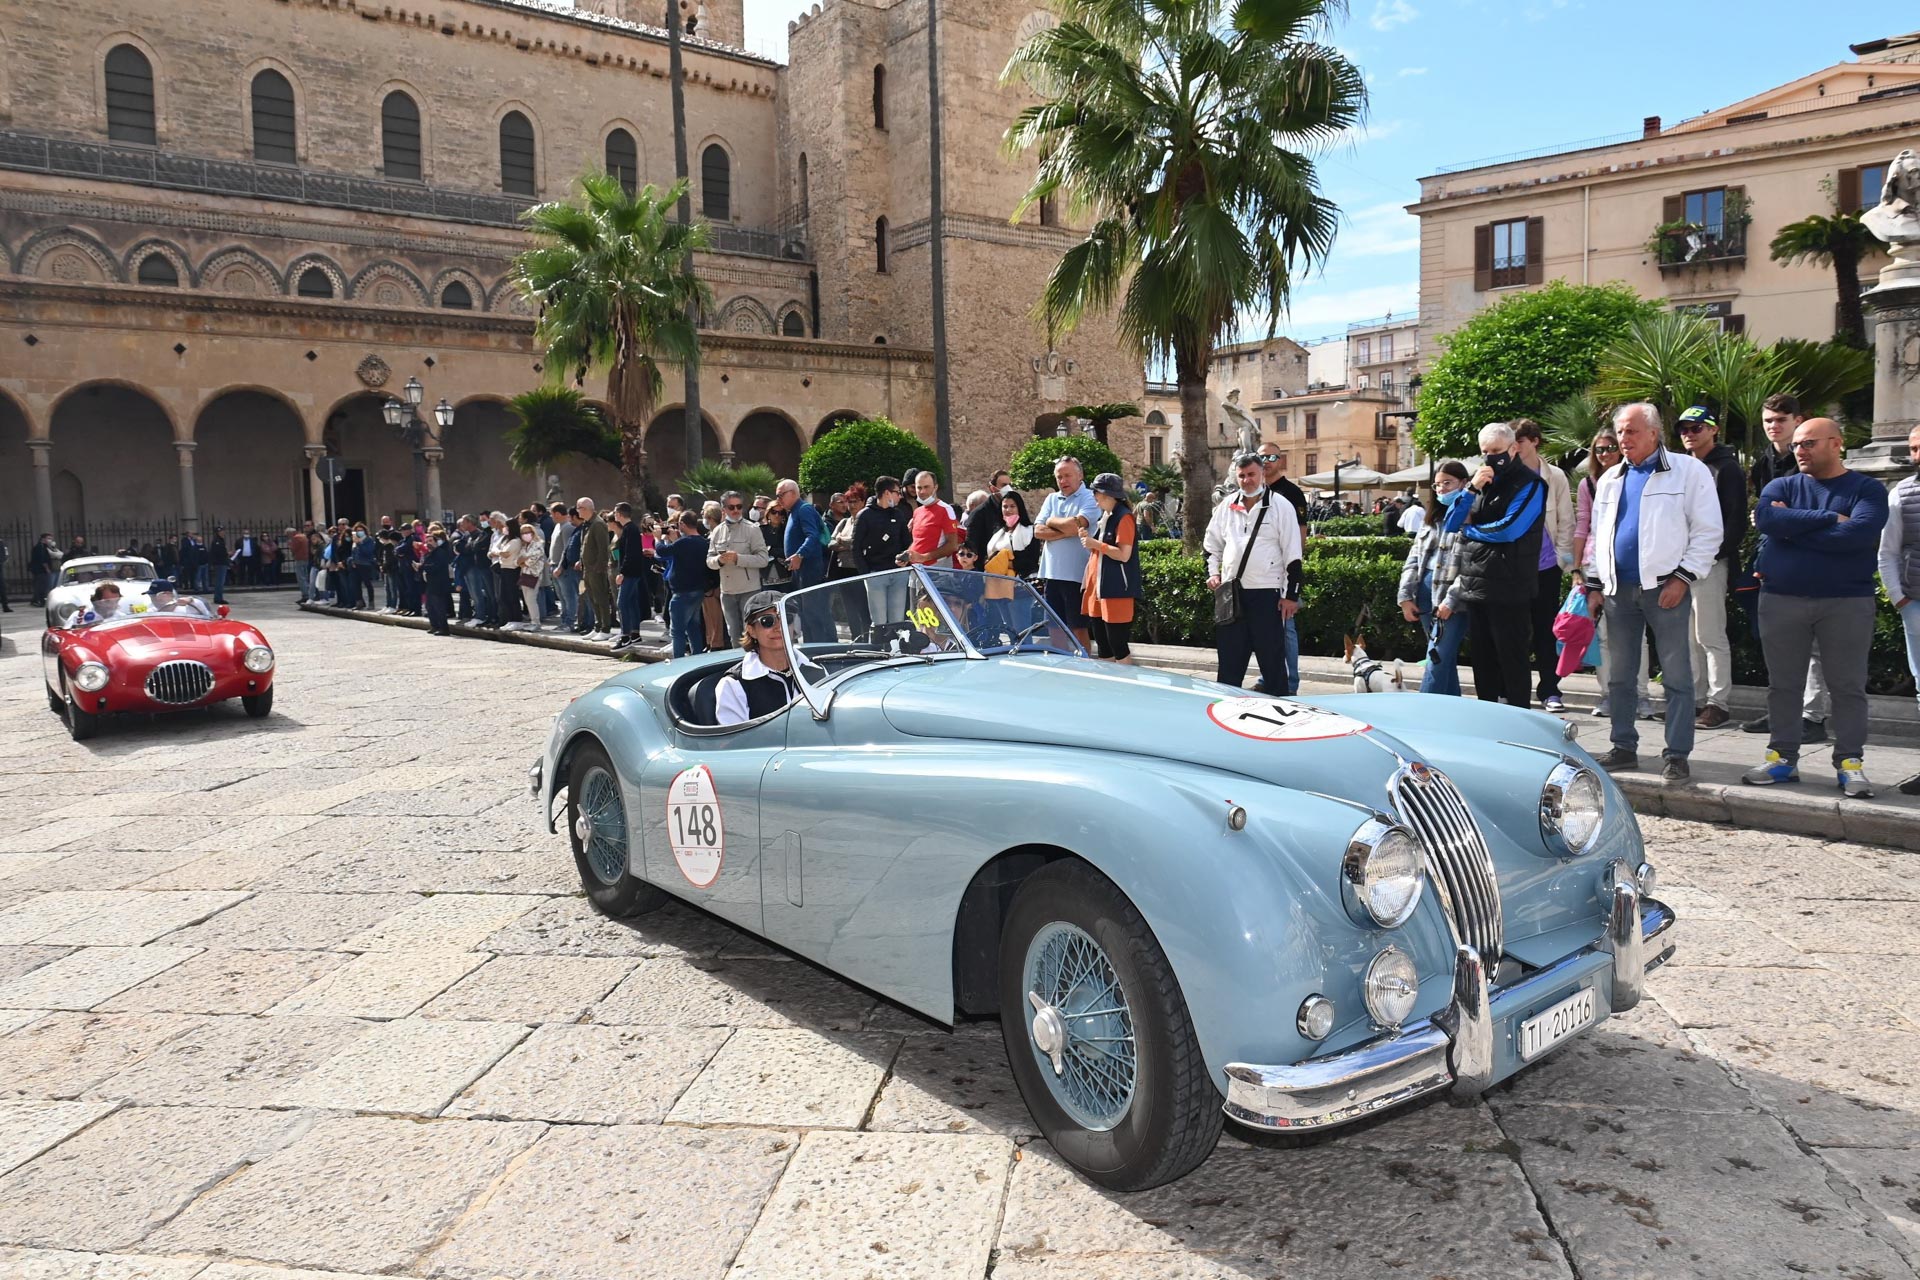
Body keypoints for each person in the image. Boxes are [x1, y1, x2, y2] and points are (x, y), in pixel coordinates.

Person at [1743, 417, 1890, 797]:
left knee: (1847, 686)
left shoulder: (1867, 489)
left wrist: (1792, 533)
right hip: (1781, 599)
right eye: (1796, 445)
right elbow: (1768, 519)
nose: (1800, 451)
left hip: (1847, 601)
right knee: (1783, 685)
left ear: (1836, 443)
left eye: (1809, 443)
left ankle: (1849, 762)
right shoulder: (1781, 485)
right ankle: (1782, 759)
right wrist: (1826, 519)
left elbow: (1858, 535)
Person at [1583, 402, 1722, 782]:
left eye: (1631, 431)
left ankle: (1677, 753)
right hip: (1617, 591)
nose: (1623, 439)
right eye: (1621, 431)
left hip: (1665, 589)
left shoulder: (1688, 470)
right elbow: (1599, 536)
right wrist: (1594, 584)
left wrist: (1683, 577)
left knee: (1677, 676)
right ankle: (1623, 746)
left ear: (1654, 433)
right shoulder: (1610, 478)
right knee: (1620, 677)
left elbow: (1708, 530)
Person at [1743, 393, 1829, 739]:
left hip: (1810, 559)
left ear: (1797, 420)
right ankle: (1782, 711)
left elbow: (1816, 516)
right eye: (1768, 421)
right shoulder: (1763, 463)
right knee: (1777, 640)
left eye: (1781, 420)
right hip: (1774, 557)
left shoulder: (1814, 459)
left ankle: (1813, 717)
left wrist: (1779, 516)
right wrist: (1775, 517)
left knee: (1812, 645)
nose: (1774, 427)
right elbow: (1765, 516)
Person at [1451, 423, 1547, 708]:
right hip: (1476, 585)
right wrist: (1471, 489)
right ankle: (1486, 720)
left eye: (1497, 451)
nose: (1491, 457)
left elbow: (1509, 529)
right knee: (1482, 663)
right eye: (1485, 452)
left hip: (1511, 585)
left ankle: (1519, 720)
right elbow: (1452, 521)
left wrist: (1471, 532)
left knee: (1513, 661)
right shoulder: (1480, 482)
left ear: (1514, 448)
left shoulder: (1531, 484)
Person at [1570, 428, 1653, 720]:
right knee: (1603, 636)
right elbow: (1583, 526)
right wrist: (1577, 568)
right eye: (1599, 449)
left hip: (1633, 564)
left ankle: (1642, 696)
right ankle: (1608, 694)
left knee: (1638, 636)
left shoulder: (1639, 478)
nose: (1605, 454)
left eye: (1610, 447)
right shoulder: (1589, 485)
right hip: (1598, 566)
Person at [1674, 405, 1748, 729]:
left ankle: (1719, 703)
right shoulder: (1683, 467)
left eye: (1696, 428)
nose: (1689, 434)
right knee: (1688, 637)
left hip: (1709, 563)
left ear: (1713, 429)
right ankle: (1695, 699)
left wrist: (1711, 556)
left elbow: (1735, 521)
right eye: (1684, 429)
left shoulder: (1727, 468)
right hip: (1680, 564)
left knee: (1710, 635)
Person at [1204, 452, 1303, 691]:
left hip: (1266, 593)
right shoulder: (1226, 506)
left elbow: (1293, 553)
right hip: (1232, 594)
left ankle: (1280, 705)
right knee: (1229, 661)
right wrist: (1213, 573)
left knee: (1272, 660)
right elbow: (1210, 544)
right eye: (1242, 476)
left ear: (1262, 475)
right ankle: (1226, 709)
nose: (1247, 480)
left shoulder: (1281, 506)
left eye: (1251, 475)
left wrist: (1291, 596)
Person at [1513, 420, 1574, 712]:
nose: (1515, 448)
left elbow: (1566, 520)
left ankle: (1550, 690)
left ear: (1534, 441)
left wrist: (1563, 560)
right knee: (1515, 632)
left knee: (1545, 632)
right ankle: (1514, 691)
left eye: (1520, 442)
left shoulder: (1556, 476)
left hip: (1547, 567)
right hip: (1514, 569)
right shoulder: (1507, 473)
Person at [1396, 461, 1472, 695]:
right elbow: (1414, 558)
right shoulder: (1431, 520)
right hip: (1424, 591)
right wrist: (1405, 596)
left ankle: (1424, 708)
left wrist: (1451, 600)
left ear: (1464, 483)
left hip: (1453, 597)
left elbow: (1471, 566)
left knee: (1436, 656)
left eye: (1448, 483)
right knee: (1443, 658)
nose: (1442, 489)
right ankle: (1452, 710)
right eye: (1437, 485)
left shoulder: (1471, 517)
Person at [1878, 424, 1920, 795]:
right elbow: (1888, 551)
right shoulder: (1902, 492)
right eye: (1913, 447)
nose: (1916, 454)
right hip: (1916, 603)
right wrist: (1899, 599)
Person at [715, 590, 817, 726]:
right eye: (767, 621)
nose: (779, 627)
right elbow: (735, 742)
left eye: (787, 618)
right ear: (751, 630)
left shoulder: (816, 672)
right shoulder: (734, 684)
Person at [1033, 456, 1101, 650]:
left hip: (1077, 575)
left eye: (1067, 475)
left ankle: (1085, 668)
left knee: (1078, 627)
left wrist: (1052, 521)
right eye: (1059, 477)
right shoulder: (1051, 498)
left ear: (1080, 475)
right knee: (1055, 627)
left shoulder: (1090, 497)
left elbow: (1075, 526)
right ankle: (1061, 667)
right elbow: (1038, 531)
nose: (1063, 481)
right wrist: (1067, 528)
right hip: (1052, 575)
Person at [1078, 473, 1143, 662]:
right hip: (1098, 590)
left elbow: (1124, 554)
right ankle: (1110, 687)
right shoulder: (1107, 516)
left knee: (1118, 645)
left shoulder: (1124, 518)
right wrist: (1091, 542)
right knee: (1104, 646)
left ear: (1105, 494)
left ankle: (1124, 687)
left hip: (1116, 590)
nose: (1094, 499)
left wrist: (1095, 544)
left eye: (1095, 494)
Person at [709, 489, 771, 645]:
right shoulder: (717, 531)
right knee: (734, 635)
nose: (736, 510)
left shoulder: (752, 529)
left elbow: (763, 559)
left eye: (739, 506)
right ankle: (739, 666)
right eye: (731, 507)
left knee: (752, 634)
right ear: (724, 509)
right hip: (727, 591)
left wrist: (738, 558)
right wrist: (720, 560)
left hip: (749, 590)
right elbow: (709, 560)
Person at [778, 478, 834, 641]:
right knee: (807, 615)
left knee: (815, 615)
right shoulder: (794, 512)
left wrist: (800, 554)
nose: (778, 499)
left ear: (794, 493)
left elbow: (813, 536)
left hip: (810, 571)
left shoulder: (804, 510)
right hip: (801, 572)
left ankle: (823, 651)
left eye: (781, 495)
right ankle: (813, 650)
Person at [855, 477, 912, 624]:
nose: (899, 496)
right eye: (897, 492)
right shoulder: (865, 515)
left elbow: (907, 542)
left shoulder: (898, 514)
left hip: (898, 574)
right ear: (887, 493)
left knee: (897, 620)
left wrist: (906, 559)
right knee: (879, 620)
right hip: (876, 574)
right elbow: (856, 547)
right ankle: (881, 646)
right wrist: (866, 574)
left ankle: (895, 647)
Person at [660, 510, 711, 657]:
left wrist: (659, 538)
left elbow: (663, 551)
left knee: (677, 631)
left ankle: (679, 662)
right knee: (693, 627)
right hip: (698, 590)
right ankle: (696, 658)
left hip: (682, 593)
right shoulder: (702, 542)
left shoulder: (684, 542)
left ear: (682, 524)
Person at [576, 498, 613, 641]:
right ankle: (598, 626)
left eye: (579, 507)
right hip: (588, 568)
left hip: (596, 569)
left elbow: (603, 547)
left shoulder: (597, 524)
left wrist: (600, 566)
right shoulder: (587, 524)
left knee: (601, 598)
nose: (577, 510)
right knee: (592, 598)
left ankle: (605, 628)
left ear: (586, 508)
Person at [509, 522, 546, 631]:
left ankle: (536, 622)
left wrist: (523, 560)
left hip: (534, 574)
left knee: (531, 599)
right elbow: (517, 561)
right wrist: (522, 560)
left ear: (532, 532)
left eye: (527, 532)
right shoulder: (524, 546)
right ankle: (532, 621)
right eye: (523, 533)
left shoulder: (538, 544)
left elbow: (532, 560)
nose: (525, 535)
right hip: (524, 574)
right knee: (527, 599)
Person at [422, 523, 456, 635]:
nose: (428, 544)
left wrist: (423, 566)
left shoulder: (440, 553)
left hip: (439, 584)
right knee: (430, 606)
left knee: (439, 607)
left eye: (431, 541)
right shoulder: (428, 554)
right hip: (430, 583)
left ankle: (443, 628)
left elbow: (435, 567)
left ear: (436, 542)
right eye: (427, 542)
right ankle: (434, 625)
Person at [29, 533, 59, 607]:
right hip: (40, 570)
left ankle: (36, 600)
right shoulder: (40, 547)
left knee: (40, 585)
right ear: (43, 539)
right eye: (48, 538)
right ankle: (39, 600)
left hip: (41, 570)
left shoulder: (44, 547)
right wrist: (47, 569)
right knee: (41, 586)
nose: (50, 540)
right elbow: (42, 560)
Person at [208, 527, 230, 604]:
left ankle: (219, 597)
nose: (223, 533)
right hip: (220, 563)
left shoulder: (221, 540)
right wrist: (227, 553)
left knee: (221, 581)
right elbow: (218, 553)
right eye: (221, 531)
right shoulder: (217, 541)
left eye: (223, 531)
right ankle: (218, 598)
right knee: (219, 582)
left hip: (222, 563)